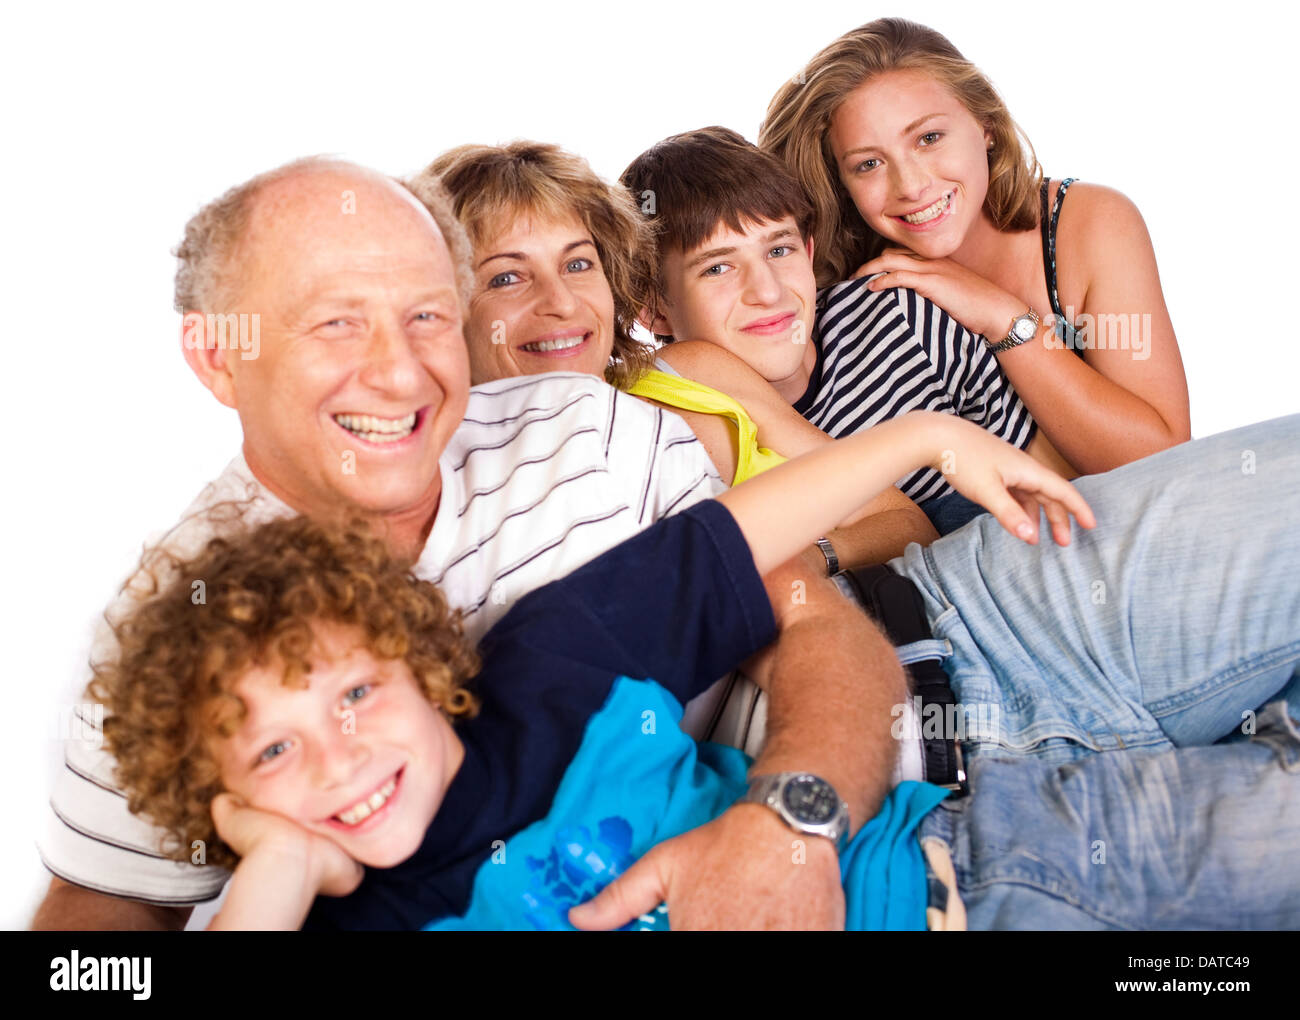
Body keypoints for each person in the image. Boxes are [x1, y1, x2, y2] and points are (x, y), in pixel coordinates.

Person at [30, 156, 908, 931]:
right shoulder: (173, 623)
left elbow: (814, 628)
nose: (403, 373)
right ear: (218, 358)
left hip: (864, 832)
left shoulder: (585, 429)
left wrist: (787, 828)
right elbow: (103, 917)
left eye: (426, 316)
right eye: (335, 323)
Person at [93, 407, 1300, 930]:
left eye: (352, 692)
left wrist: (921, 442)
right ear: (230, 803)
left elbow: (726, 542)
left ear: (418, 662)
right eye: (272, 751)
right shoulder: (357, 921)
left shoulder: (547, 668)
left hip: (982, 833)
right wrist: (285, 864)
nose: (339, 753)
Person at [421, 140, 937, 563]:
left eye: (578, 265)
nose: (560, 303)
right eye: (507, 277)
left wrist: (812, 556)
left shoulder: (690, 370)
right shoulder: (456, 484)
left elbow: (904, 523)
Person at [760, 16, 1192, 477]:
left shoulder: (1090, 224)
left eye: (928, 138)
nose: (911, 185)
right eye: (868, 164)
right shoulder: (848, 288)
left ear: (985, 123)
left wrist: (1002, 318)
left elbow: (1161, 459)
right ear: (840, 183)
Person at [620, 126, 1042, 533]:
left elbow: (1058, 476)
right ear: (653, 311)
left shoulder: (901, 315)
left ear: (808, 251)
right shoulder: (685, 432)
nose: (767, 292)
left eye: (779, 250)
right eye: (717, 268)